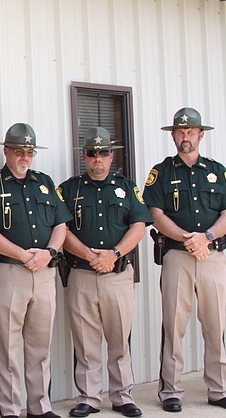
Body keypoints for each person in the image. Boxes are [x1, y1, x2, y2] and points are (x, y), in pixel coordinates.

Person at [59, 127, 151, 418]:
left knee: (119, 338)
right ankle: (89, 397)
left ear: (112, 155)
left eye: (103, 153)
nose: (97, 158)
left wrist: (114, 254)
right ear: (83, 156)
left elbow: (139, 226)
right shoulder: (69, 190)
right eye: (91, 153)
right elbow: (61, 229)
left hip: (117, 275)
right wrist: (89, 255)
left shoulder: (127, 188)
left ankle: (122, 396)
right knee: (85, 341)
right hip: (82, 274)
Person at [143, 107, 226, 413]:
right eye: (180, 132)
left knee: (216, 324)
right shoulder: (162, 172)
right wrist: (187, 239)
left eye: (190, 132)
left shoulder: (217, 171)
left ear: (201, 135)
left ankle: (219, 389)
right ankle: (171, 391)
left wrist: (206, 237)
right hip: (177, 256)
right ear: (173, 136)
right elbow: (154, 213)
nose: (185, 137)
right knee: (174, 326)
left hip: (212, 256)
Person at [0, 123, 71, 418]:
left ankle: (40, 407)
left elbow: (60, 224)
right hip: (9, 271)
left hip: (44, 273)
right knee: (8, 347)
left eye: (29, 152)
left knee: (40, 346)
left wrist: (50, 252)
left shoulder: (44, 182)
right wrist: (22, 255)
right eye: (19, 151)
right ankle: (10, 410)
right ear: (6, 151)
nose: (24, 157)